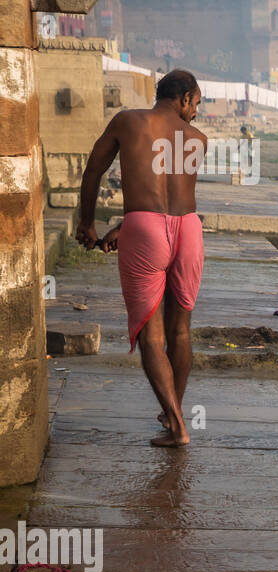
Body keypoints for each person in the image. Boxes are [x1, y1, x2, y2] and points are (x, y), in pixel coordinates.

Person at [75, 69, 207, 448]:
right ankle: (172, 416)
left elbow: (94, 169)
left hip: (145, 228)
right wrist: (128, 226)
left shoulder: (128, 120)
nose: (195, 113)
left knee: (151, 335)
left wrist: (89, 223)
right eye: (195, 104)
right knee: (180, 331)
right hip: (189, 229)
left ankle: (179, 426)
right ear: (183, 98)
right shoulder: (197, 140)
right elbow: (168, 198)